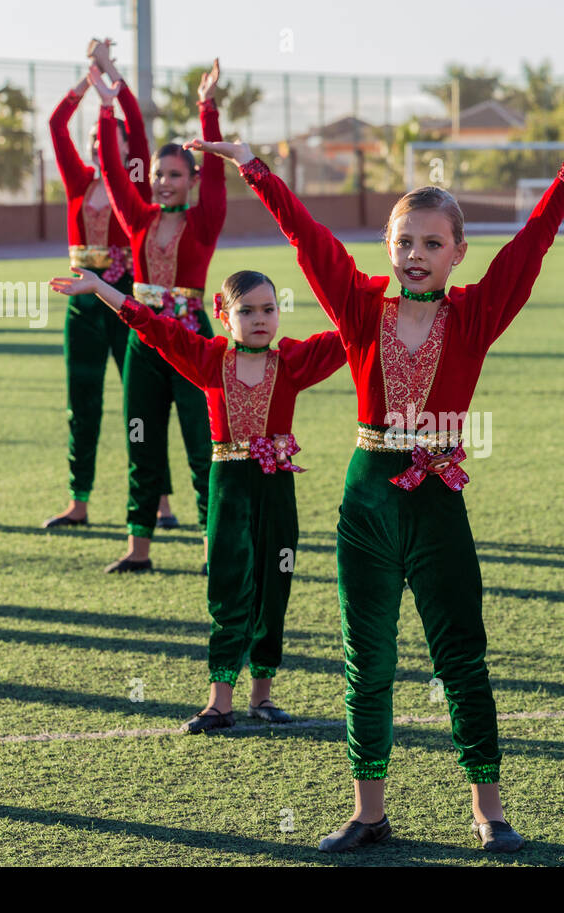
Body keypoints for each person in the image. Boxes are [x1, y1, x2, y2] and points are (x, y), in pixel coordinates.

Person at [188, 123, 564, 852]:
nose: (417, 256)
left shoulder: (477, 314)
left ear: (459, 254)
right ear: (389, 247)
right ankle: (369, 813)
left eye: (433, 244)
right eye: (405, 242)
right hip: (367, 498)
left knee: (461, 654)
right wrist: (253, 166)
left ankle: (488, 811)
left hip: (436, 500)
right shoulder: (360, 306)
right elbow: (309, 239)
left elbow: (529, 250)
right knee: (364, 660)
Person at [50, 266, 347, 729]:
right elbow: (151, 326)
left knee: (275, 586)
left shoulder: (291, 362)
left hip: (277, 487)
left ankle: (262, 698)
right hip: (228, 488)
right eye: (246, 311)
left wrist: (402, 293)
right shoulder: (209, 361)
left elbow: (354, 332)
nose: (260, 319)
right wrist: (100, 289)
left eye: (269, 309)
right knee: (228, 587)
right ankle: (219, 701)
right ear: (222, 316)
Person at [92, 59, 228, 573]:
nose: (164, 182)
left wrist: (207, 108)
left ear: (191, 180)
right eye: (158, 175)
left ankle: (214, 547)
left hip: (192, 342)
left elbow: (217, 170)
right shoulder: (139, 218)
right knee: (141, 441)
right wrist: (107, 109)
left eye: (175, 175)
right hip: (143, 342)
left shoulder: (207, 217)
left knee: (202, 447)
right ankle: (138, 548)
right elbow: (110, 167)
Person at [43, 39, 178, 531]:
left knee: (142, 406)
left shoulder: (137, 184)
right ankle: (79, 501)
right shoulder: (79, 183)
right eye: (99, 142)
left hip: (123, 302)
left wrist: (110, 72)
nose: (104, 148)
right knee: (82, 402)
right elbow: (57, 125)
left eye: (113, 142)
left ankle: (160, 499)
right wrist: (86, 79)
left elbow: (136, 122)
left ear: (126, 150)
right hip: (81, 306)